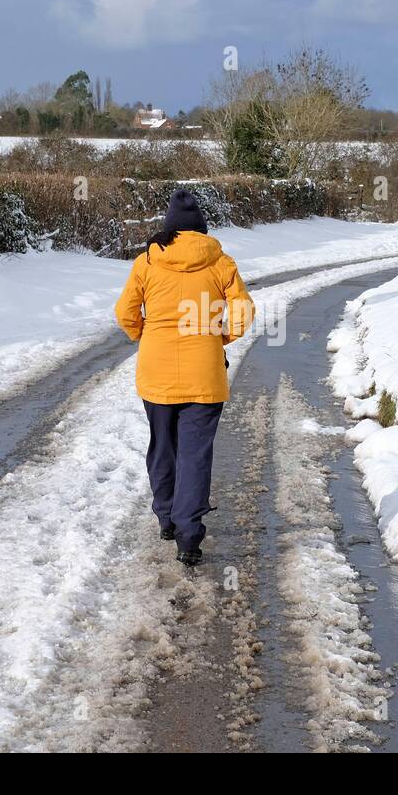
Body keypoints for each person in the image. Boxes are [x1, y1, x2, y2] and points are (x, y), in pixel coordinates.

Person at [114, 189, 255, 566]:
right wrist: (220, 336)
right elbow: (243, 311)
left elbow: (126, 312)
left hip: (156, 372)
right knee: (195, 455)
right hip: (204, 375)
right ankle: (189, 537)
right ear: (201, 228)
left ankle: (166, 518)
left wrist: (145, 335)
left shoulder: (147, 261)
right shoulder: (220, 261)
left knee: (162, 446)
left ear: (169, 226)